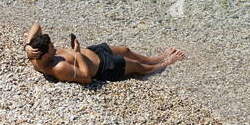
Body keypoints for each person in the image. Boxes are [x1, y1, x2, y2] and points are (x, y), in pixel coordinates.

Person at [23, 23, 184, 84]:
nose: (55, 47)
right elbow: (86, 77)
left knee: (126, 50)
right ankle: (164, 64)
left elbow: (36, 25)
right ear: (44, 55)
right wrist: (78, 53)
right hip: (104, 67)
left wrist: (27, 45)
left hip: (93, 52)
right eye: (51, 47)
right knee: (137, 67)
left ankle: (156, 59)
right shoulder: (58, 68)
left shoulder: (34, 55)